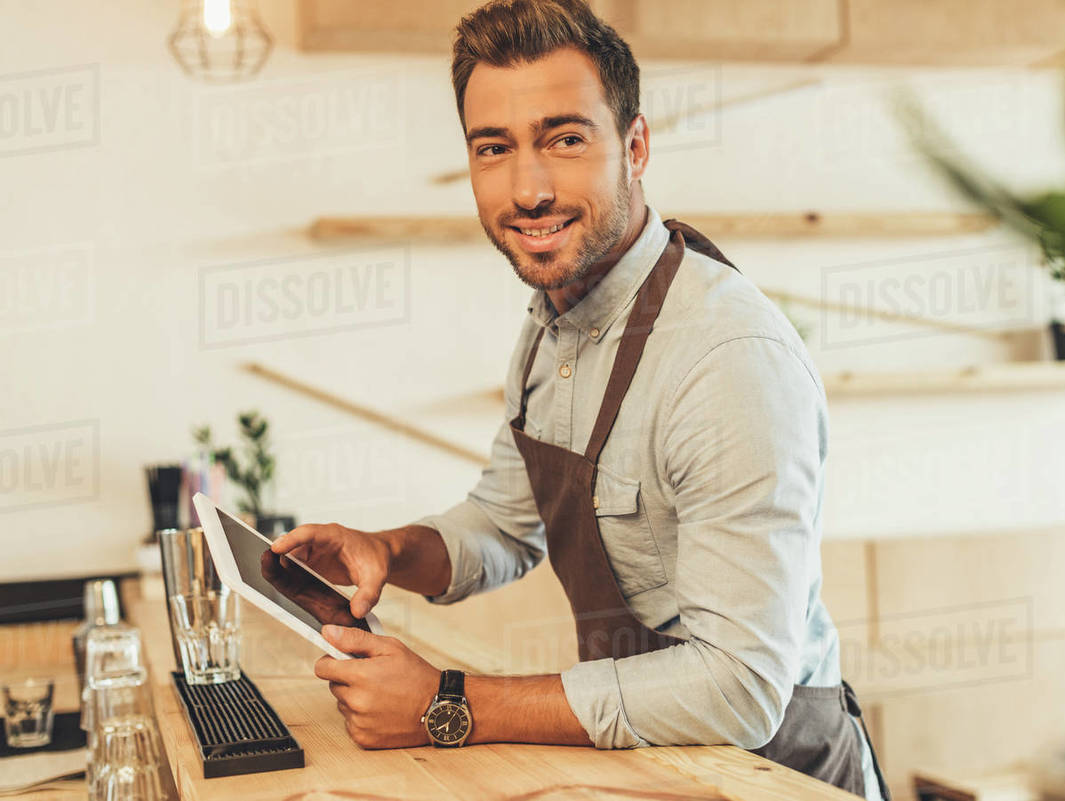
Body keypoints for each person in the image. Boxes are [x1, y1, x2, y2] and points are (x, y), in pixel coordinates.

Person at [269, 1, 890, 798]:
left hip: (775, 776)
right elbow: (502, 524)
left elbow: (741, 687)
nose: (528, 189)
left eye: (565, 139)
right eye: (494, 148)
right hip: (655, 769)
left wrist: (448, 704)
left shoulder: (727, 358)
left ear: (634, 146)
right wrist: (387, 552)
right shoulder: (552, 323)